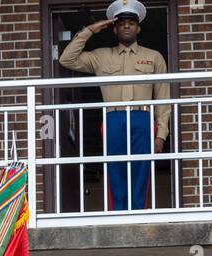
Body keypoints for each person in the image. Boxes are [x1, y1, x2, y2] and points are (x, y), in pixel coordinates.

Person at [59, 0, 169, 212]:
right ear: (115, 29)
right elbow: (67, 59)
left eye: (131, 23)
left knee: (141, 170)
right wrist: (90, 30)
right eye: (121, 23)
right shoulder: (101, 56)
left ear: (138, 28)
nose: (126, 26)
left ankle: (139, 215)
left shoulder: (153, 57)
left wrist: (161, 134)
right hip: (113, 118)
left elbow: (164, 98)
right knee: (115, 169)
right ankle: (118, 214)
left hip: (142, 118)